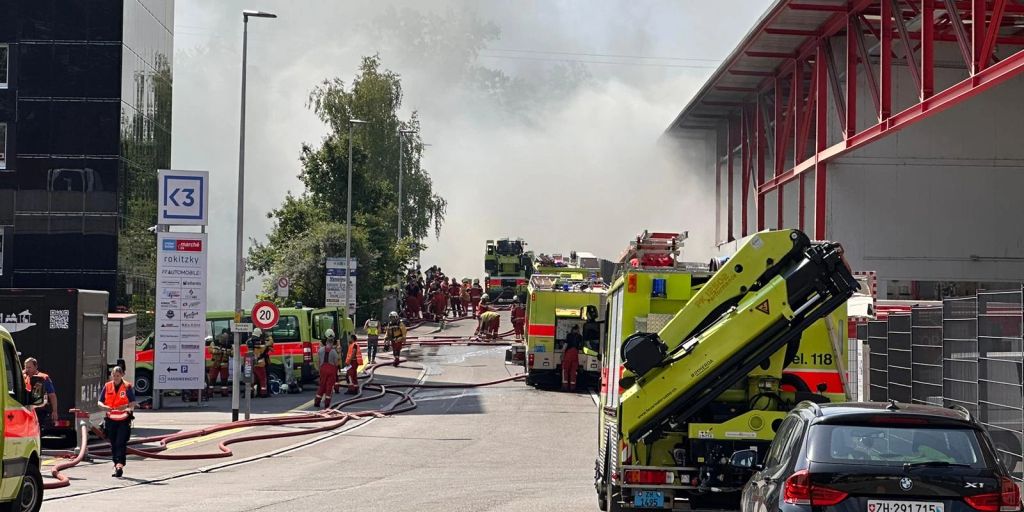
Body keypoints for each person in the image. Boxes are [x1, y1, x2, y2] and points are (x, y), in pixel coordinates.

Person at [98, 366, 135, 478]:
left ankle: (120, 465)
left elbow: (133, 403)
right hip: (111, 420)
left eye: (118, 376)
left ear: (122, 375)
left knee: (120, 443)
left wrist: (126, 406)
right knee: (113, 443)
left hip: (123, 420)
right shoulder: (107, 386)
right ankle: (116, 464)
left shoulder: (127, 386)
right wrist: (104, 407)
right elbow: (99, 402)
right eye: (114, 376)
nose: (115, 378)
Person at [23, 357, 58, 427]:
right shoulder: (22, 376)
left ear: (36, 366)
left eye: (29, 367)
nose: (27, 369)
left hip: (39, 410)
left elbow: (52, 395)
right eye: (26, 367)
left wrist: (54, 411)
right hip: (24, 409)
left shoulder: (44, 378)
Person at [314, 331, 339, 409]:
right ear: (331, 343)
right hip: (331, 370)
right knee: (329, 387)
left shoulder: (320, 350)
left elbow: (317, 360)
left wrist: (319, 369)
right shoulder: (334, 352)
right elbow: (336, 363)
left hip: (322, 369)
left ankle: (317, 402)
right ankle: (327, 404)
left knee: (322, 385)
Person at [247, 328, 274, 398]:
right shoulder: (260, 343)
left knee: (252, 379)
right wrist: (269, 337)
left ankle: (250, 393)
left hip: (250, 362)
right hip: (260, 362)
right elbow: (268, 345)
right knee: (263, 378)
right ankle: (263, 393)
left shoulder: (249, 341)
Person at [208, 331, 230, 396]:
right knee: (212, 378)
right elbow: (210, 350)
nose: (225, 340)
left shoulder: (228, 345)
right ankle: (210, 392)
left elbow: (232, 353)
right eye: (224, 338)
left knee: (224, 379)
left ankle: (224, 392)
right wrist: (219, 351)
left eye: (226, 338)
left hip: (224, 363)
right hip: (215, 363)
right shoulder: (214, 343)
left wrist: (226, 352)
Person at [562, 325, 583, 392]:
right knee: (573, 371)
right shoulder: (579, 336)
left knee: (565, 370)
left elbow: (565, 345)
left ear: (572, 329)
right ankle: (572, 387)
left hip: (569, 353)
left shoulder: (569, 335)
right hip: (575, 353)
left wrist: (562, 353)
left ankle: (565, 386)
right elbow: (581, 344)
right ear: (577, 330)